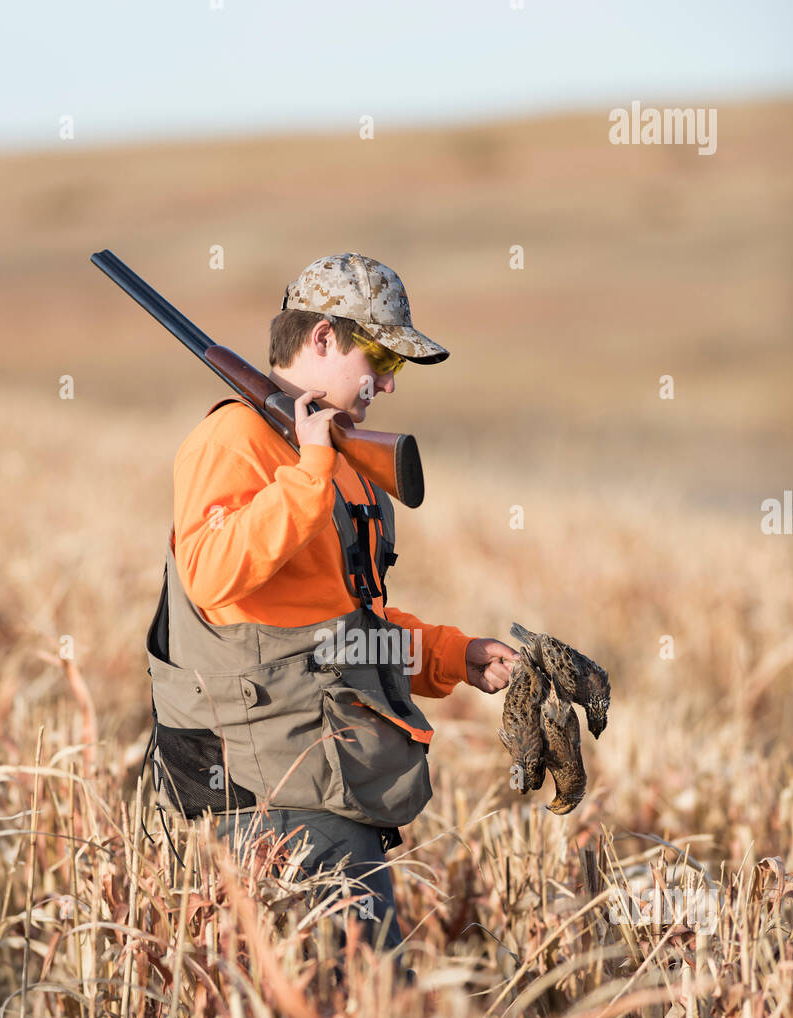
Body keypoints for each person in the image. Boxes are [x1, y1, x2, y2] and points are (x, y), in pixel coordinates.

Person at [150, 253, 518, 966]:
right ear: (321, 339)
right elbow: (210, 573)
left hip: (331, 774)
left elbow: (346, 630)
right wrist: (309, 471)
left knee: (359, 1000)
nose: (384, 381)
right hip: (271, 791)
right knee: (354, 1006)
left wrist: (454, 655)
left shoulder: (335, 461)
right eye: (377, 356)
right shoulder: (236, 442)